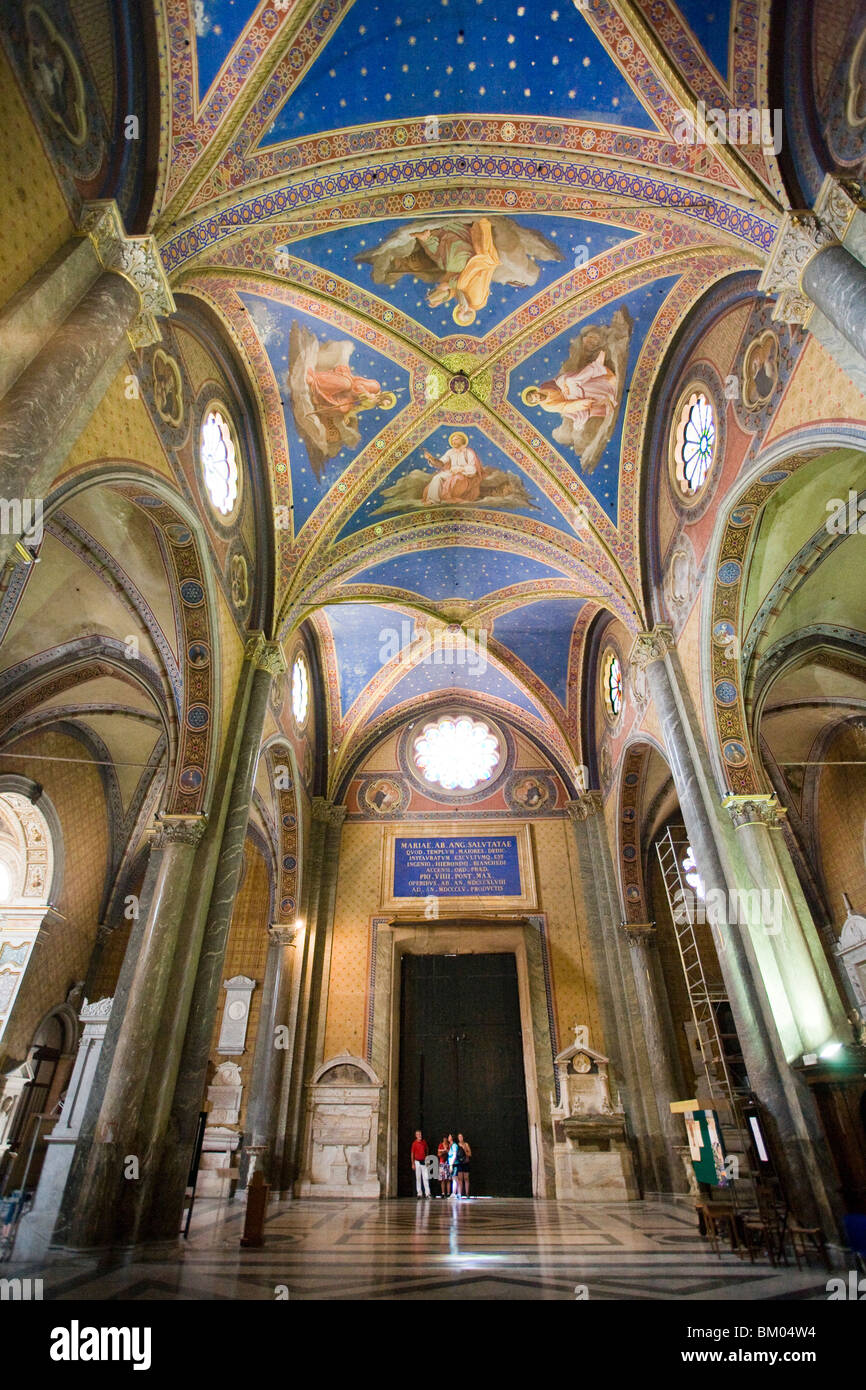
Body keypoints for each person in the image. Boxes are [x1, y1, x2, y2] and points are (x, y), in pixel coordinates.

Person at [421, 432, 485, 504]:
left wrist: (461, 469)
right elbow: (441, 463)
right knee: (437, 477)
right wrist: (432, 459)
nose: (454, 441)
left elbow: (473, 468)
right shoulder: (450, 452)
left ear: (462, 440)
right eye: (453, 440)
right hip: (452, 473)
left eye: (456, 439)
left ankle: (452, 496)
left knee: (456, 479)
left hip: (465, 475)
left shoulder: (468, 452)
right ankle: (433, 500)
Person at [411, 1130, 430, 1198]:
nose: (419, 1135)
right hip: (417, 1162)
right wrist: (413, 1163)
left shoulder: (424, 1142)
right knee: (418, 1178)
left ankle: (427, 1193)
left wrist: (427, 1158)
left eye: (420, 1134)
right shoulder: (414, 1143)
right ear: (416, 1136)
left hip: (423, 1161)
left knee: (425, 1177)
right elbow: (412, 1153)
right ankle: (419, 1193)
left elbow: (427, 1149)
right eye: (418, 1134)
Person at [457, 1133, 472, 1197]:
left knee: (466, 1178)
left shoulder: (466, 1144)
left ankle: (467, 1193)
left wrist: (465, 1150)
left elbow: (470, 1154)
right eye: (459, 1137)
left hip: (466, 1163)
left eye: (461, 1137)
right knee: (460, 1179)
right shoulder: (457, 1145)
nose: (460, 1138)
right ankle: (460, 1193)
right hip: (460, 1163)